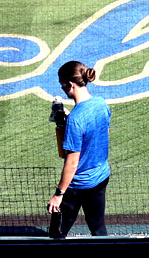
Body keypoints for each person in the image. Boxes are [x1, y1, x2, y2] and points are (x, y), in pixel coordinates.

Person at [47, 60, 110, 238]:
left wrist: (59, 194)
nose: (62, 89)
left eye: (62, 85)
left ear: (70, 84)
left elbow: (72, 162)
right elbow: (100, 132)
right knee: (98, 229)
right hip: (100, 177)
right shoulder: (101, 104)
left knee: (57, 233)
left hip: (78, 185)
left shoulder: (76, 119)